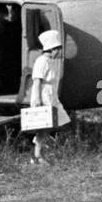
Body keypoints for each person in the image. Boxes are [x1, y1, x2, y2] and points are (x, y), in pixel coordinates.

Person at [28, 29, 68, 164]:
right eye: (58, 49)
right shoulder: (41, 61)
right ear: (52, 49)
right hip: (43, 95)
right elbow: (37, 81)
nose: (59, 52)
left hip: (51, 95)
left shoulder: (50, 61)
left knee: (52, 124)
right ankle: (37, 155)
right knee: (44, 126)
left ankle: (38, 151)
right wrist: (38, 99)